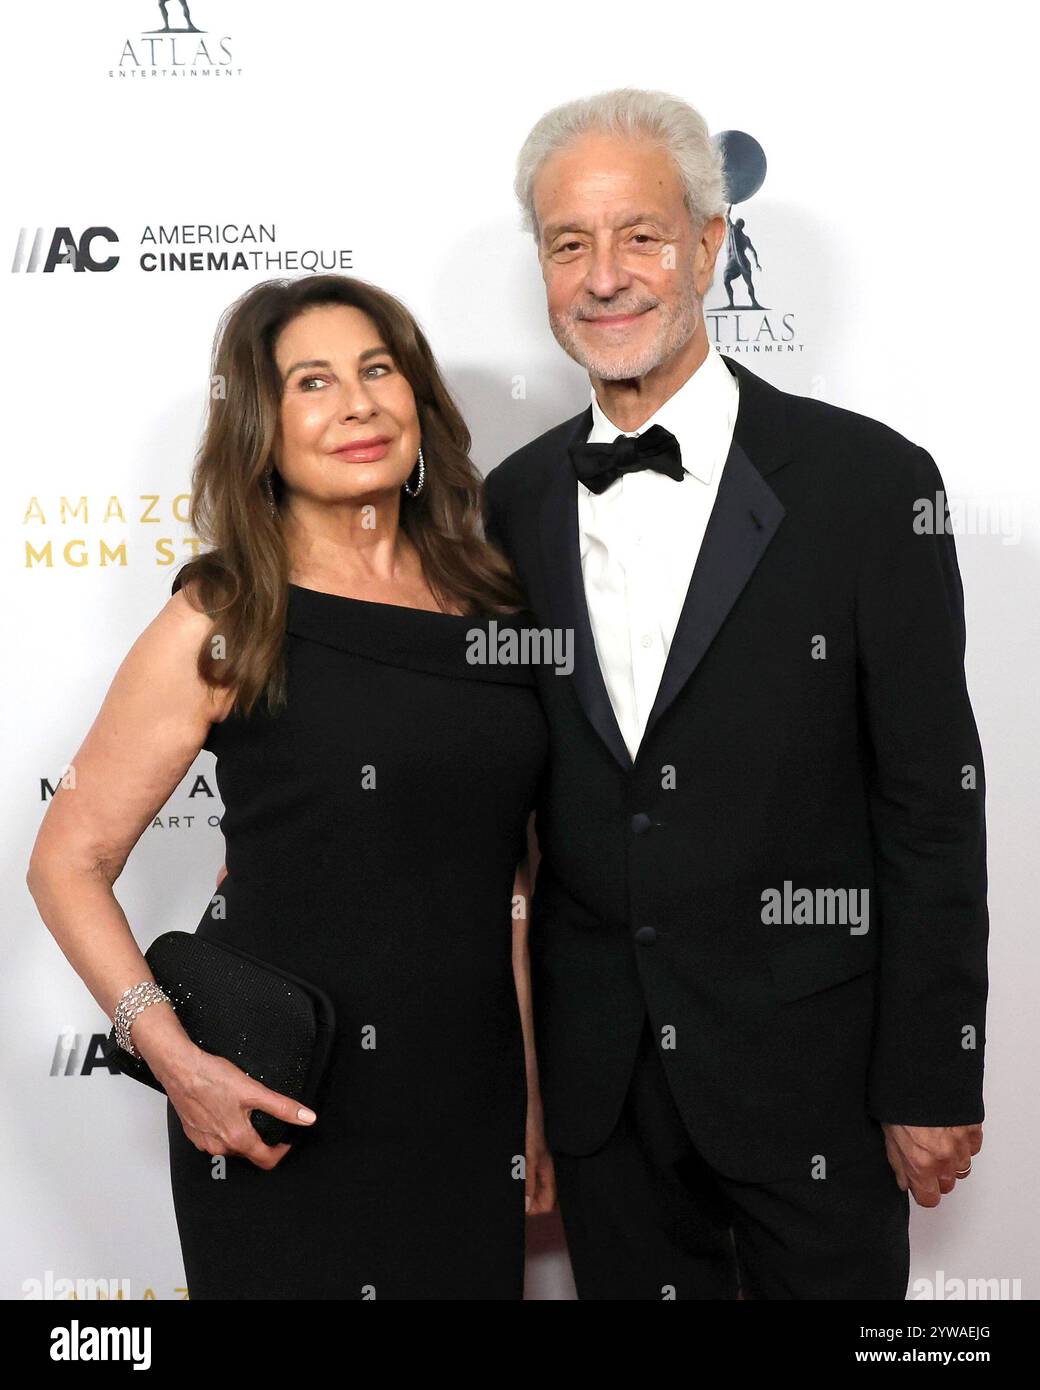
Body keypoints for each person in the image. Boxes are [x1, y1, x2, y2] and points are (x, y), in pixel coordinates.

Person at [482, 88, 988, 1300]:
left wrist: (930, 1075)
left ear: (708, 246)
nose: (604, 278)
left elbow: (930, 801)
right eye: (568, 244)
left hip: (812, 1072)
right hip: (603, 1091)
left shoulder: (868, 483)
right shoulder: (505, 506)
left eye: (640, 236)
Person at [26, 272, 556, 1300]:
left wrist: (530, 1089)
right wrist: (174, 1059)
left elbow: (515, 880)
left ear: (418, 399)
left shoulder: (493, 601)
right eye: (312, 382)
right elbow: (67, 859)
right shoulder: (226, 615)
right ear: (259, 428)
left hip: (464, 1098)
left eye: (376, 369)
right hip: (279, 1103)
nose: (357, 402)